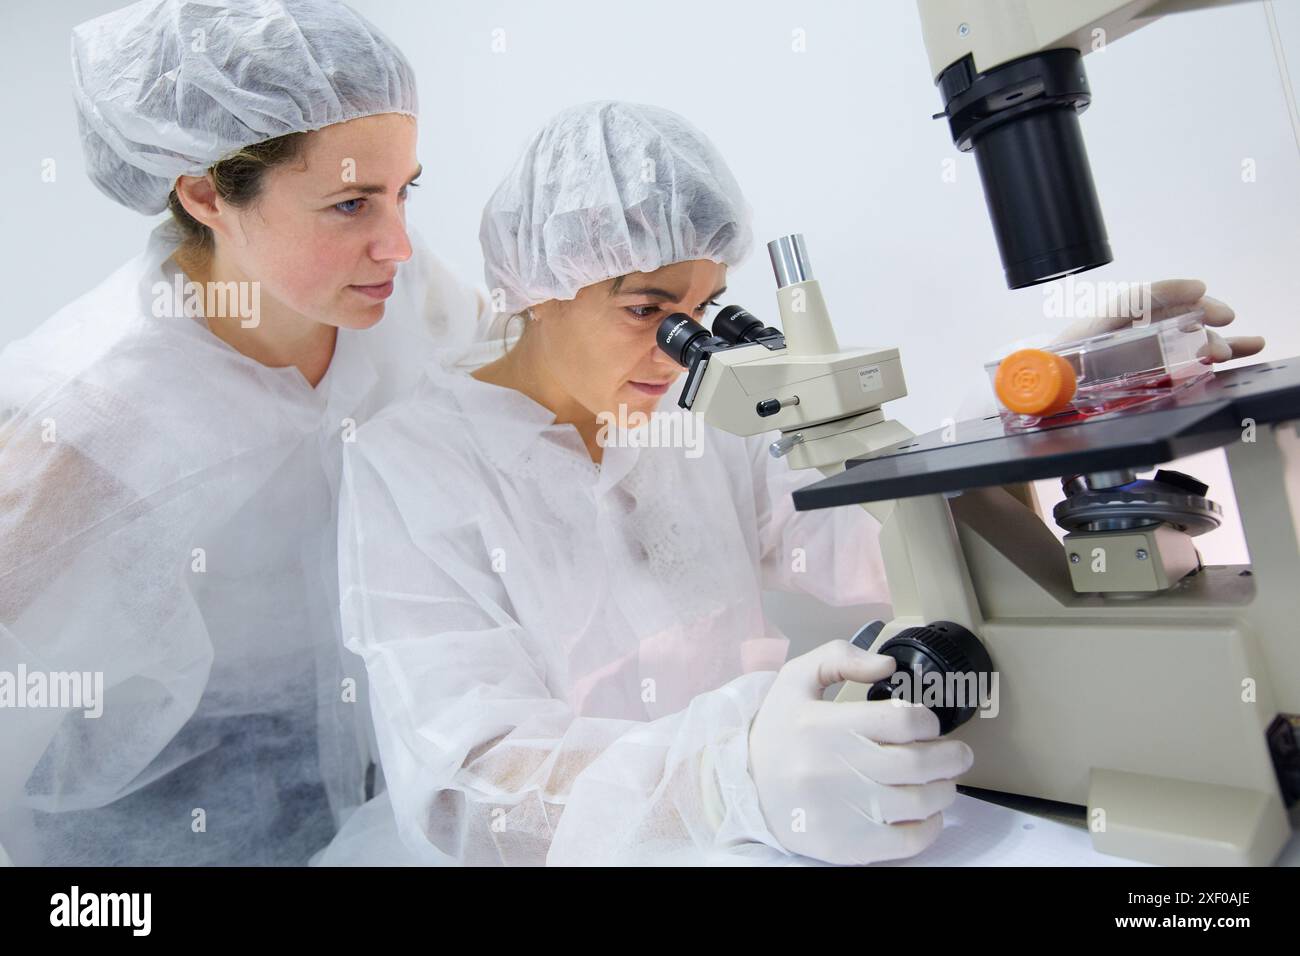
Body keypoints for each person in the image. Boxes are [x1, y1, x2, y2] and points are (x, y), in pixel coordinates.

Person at [0, 0, 496, 866]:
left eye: (402, 191)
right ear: (204, 193)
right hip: (154, 825)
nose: (399, 245)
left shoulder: (400, 301)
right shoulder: (87, 414)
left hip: (372, 783)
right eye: (350, 204)